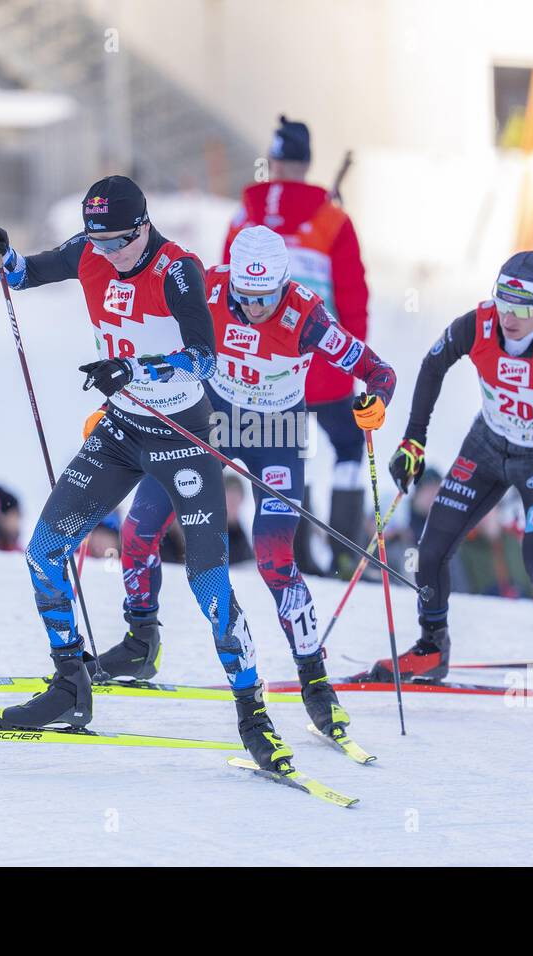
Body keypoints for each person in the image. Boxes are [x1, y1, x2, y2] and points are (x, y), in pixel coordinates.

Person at [0, 176, 293, 771]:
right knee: (43, 550)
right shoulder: (90, 249)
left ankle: (254, 712)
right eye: (98, 241)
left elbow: (204, 358)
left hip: (183, 435)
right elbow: (21, 275)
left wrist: (136, 367)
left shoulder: (178, 271)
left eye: (120, 241)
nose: (108, 252)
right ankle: (71, 685)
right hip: (121, 431)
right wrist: (0, 251)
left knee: (207, 581)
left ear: (143, 225)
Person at [103, 225, 395, 744]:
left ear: (283, 285)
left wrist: (374, 404)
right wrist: (115, 401)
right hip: (208, 419)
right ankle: (142, 639)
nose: (255, 307)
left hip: (274, 433)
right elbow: (141, 335)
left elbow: (379, 372)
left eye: (266, 298)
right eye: (246, 295)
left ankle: (315, 679)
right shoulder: (207, 288)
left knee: (273, 558)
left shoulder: (307, 316)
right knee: (138, 530)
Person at [357, 251, 533, 724]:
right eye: (504, 303)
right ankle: (431, 648)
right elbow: (433, 366)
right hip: (487, 444)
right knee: (431, 549)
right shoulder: (479, 323)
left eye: (524, 308)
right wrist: (414, 440)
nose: (510, 317)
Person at [223, 116, 372, 577]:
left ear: (271, 163)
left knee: (287, 451)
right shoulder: (332, 220)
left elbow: (223, 293)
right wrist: (355, 360)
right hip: (322, 362)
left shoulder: (242, 218)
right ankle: (346, 552)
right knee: (348, 447)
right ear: (306, 164)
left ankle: (298, 555)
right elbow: (353, 298)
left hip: (262, 368)